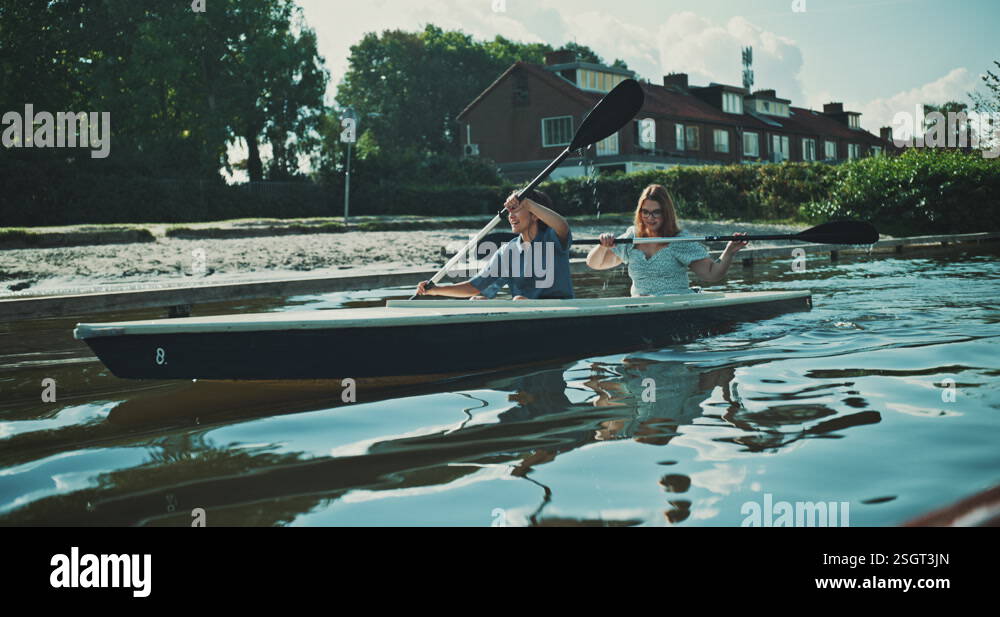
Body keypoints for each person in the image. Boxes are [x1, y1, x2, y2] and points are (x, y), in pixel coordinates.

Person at [586, 184, 748, 296]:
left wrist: (729, 251)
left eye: (656, 212)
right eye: (645, 212)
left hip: (677, 305)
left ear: (666, 213)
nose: (650, 218)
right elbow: (595, 263)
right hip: (642, 308)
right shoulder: (631, 238)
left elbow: (712, 274)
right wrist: (603, 246)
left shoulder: (679, 241)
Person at [415, 189, 574, 300]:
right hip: (525, 313)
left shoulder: (552, 238)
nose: (510, 216)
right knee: (478, 299)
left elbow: (562, 226)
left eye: (516, 210)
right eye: (509, 211)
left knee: (519, 299)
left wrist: (529, 204)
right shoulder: (508, 251)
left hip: (561, 311)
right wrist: (435, 290)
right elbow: (473, 286)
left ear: (535, 216)